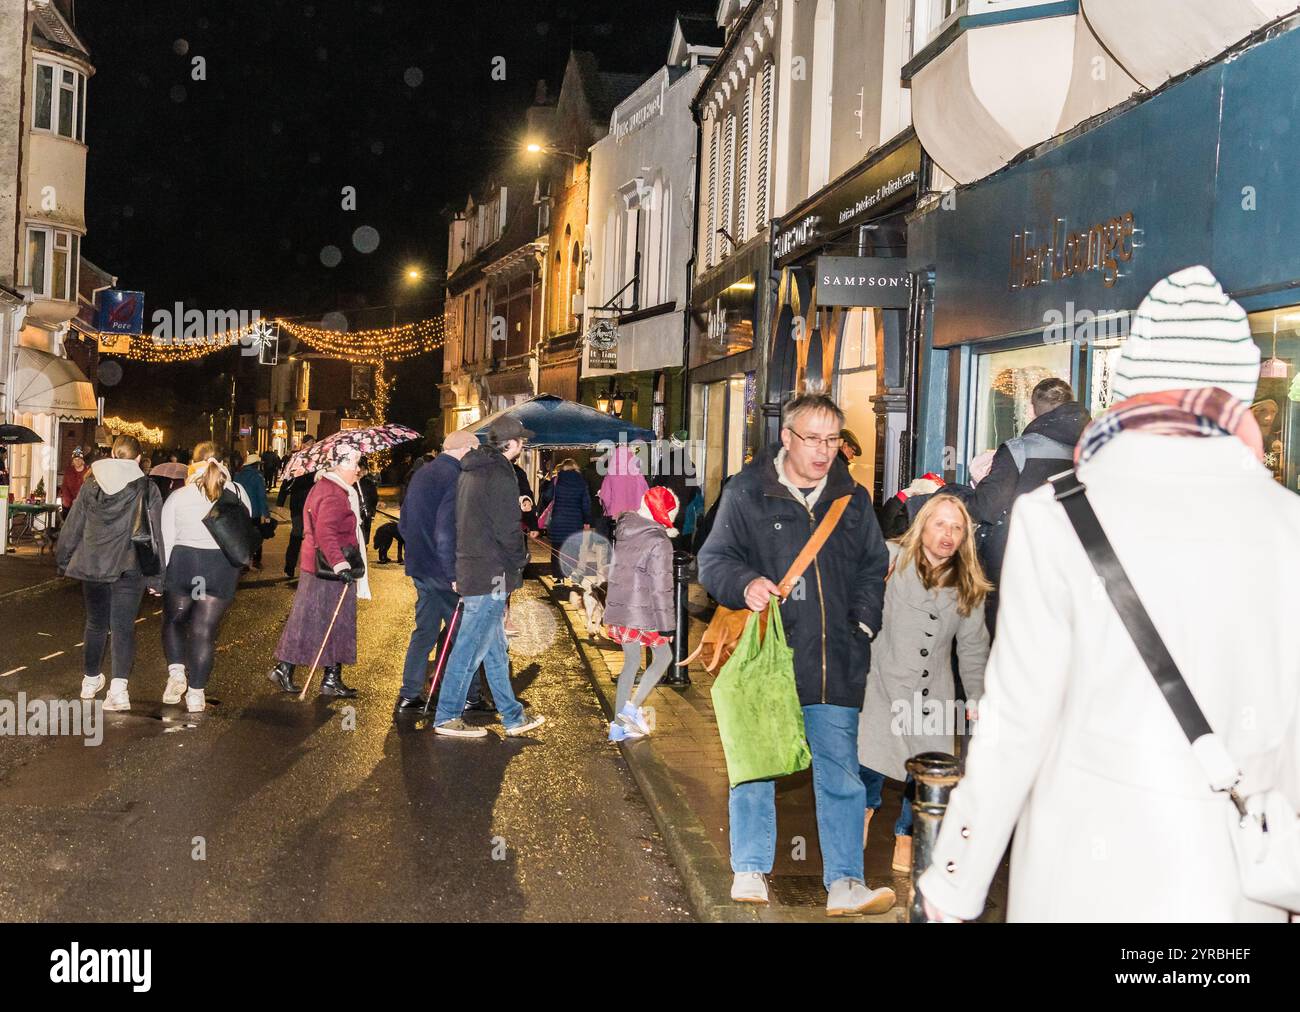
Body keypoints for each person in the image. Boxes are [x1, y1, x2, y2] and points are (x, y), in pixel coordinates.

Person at [918, 265, 1300, 923]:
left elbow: (1015, 726)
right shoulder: (1287, 525)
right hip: (1240, 887)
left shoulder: (1057, 515)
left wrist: (954, 883)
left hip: (1085, 876)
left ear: (1129, 388)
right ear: (1234, 395)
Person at [698, 388, 894, 917]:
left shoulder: (851, 500)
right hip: (770, 658)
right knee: (757, 764)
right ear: (786, 438)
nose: (824, 450)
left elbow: (874, 567)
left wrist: (863, 622)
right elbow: (712, 560)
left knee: (842, 775)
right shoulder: (747, 492)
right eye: (813, 438)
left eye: (832, 439)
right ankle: (751, 867)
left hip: (835, 661)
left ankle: (845, 882)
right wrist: (745, 583)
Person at [857, 493, 990, 874]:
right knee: (869, 768)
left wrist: (978, 698)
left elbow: (973, 648)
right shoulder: (889, 559)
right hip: (881, 683)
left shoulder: (968, 584)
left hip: (933, 695)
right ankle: (858, 825)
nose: (948, 534)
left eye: (957, 527)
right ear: (922, 526)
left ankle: (907, 839)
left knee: (926, 780)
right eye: (940, 524)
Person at [431, 417, 546, 738]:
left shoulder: (472, 470)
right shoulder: (500, 473)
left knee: (495, 649)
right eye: (521, 441)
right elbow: (506, 529)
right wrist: (519, 560)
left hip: (474, 568)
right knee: (469, 647)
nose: (523, 445)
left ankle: (512, 716)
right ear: (511, 444)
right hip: (490, 572)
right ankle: (447, 715)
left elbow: (463, 521)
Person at [966, 376, 1090, 633]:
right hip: (1077, 561)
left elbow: (987, 507)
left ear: (1032, 409)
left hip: (1018, 564)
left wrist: (968, 490)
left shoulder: (1018, 449)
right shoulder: (1093, 450)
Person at [57, 435, 164, 712]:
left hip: (93, 564)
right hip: (130, 566)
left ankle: (90, 681)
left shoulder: (91, 484)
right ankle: (118, 691)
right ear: (138, 458)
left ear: (114, 454)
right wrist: (157, 577)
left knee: (95, 623)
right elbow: (155, 534)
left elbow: (74, 524)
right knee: (122, 628)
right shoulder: (146, 487)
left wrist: (63, 557)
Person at [269, 446, 370, 698]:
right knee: (331, 621)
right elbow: (325, 533)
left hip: (317, 564)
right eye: (355, 464)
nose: (358, 470)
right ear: (340, 466)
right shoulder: (334, 493)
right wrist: (340, 564)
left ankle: (314, 673)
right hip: (327, 567)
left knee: (314, 619)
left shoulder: (328, 487)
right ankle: (318, 675)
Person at [159, 442, 252, 713]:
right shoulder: (237, 491)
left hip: (185, 564)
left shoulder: (179, 495)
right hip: (219, 567)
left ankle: (176, 674)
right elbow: (245, 528)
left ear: (193, 462)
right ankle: (197, 694)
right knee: (204, 631)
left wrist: (159, 577)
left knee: (174, 621)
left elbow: (166, 538)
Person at [396, 429, 477, 712]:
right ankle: (469, 696)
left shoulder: (422, 473)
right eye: (474, 452)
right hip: (442, 571)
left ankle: (409, 693)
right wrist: (453, 574)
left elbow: (403, 523)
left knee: (425, 632)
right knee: (465, 633)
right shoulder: (455, 478)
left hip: (420, 567)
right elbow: (446, 531)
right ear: (464, 449)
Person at [604, 486, 679, 742]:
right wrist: (667, 626)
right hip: (644, 612)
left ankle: (616, 727)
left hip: (621, 608)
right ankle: (631, 709)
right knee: (663, 657)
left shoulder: (626, 531)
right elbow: (661, 588)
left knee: (631, 663)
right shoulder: (659, 541)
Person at [543, 458, 591, 582]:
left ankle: (559, 577)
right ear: (575, 468)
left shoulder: (556, 480)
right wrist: (587, 520)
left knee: (557, 549)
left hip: (558, 521)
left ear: (563, 468)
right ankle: (569, 573)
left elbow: (547, 496)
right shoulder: (581, 481)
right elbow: (586, 503)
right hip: (575, 522)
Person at [277, 434, 315, 579]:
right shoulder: (296, 460)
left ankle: (310, 568)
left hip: (313, 504)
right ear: (303, 445)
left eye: (313, 443)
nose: (311, 446)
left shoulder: (317, 461)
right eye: (309, 444)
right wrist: (280, 501)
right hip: (298, 504)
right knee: (297, 534)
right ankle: (290, 567)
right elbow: (287, 481)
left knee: (313, 537)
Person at [234, 451, 269, 571]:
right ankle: (255, 561)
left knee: (243, 536)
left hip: (241, 510)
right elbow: (261, 496)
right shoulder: (257, 476)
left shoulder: (238, 475)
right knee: (257, 536)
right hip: (255, 511)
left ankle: (244, 561)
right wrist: (265, 513)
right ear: (256, 464)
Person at [59, 447, 87, 520]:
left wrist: (79, 500)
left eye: (79, 459)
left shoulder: (87, 472)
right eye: (75, 459)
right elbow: (65, 487)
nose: (77, 461)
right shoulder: (68, 472)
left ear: (82, 460)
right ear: (73, 461)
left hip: (83, 503)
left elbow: (88, 489)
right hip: (69, 504)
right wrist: (68, 500)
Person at [358, 459, 379, 546]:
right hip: (362, 512)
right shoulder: (353, 482)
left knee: (365, 532)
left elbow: (374, 498)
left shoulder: (369, 482)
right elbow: (374, 498)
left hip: (366, 512)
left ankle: (364, 546)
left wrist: (373, 513)